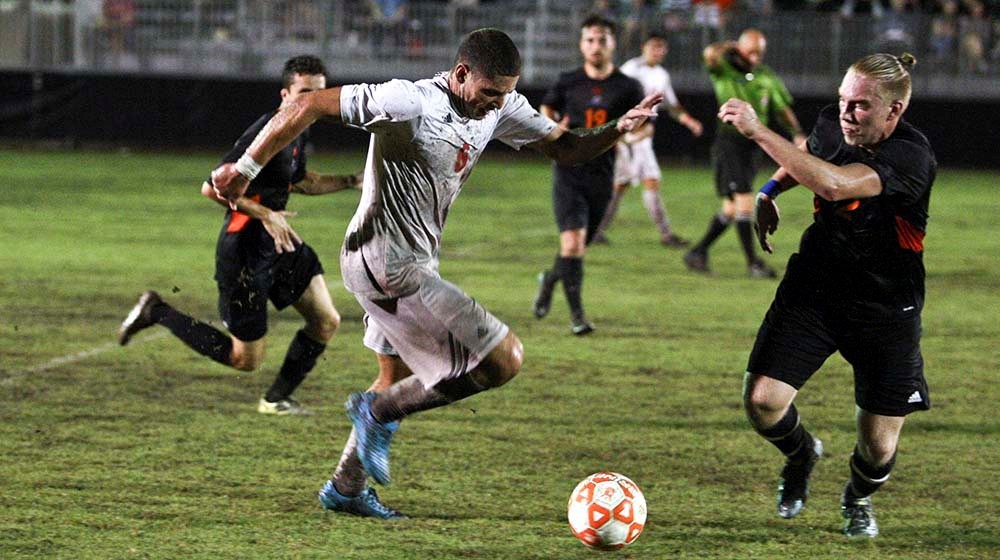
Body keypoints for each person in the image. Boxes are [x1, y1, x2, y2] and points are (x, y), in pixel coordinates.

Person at [210, 28, 661, 519]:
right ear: (462, 73)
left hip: (412, 260)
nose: (497, 105)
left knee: (396, 374)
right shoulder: (409, 100)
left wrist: (619, 127)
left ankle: (346, 486)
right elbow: (310, 104)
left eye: (506, 93)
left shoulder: (501, 105)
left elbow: (567, 147)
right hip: (386, 264)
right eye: (490, 93)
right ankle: (375, 413)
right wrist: (247, 167)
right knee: (501, 359)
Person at [728, 53, 934, 537]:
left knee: (878, 447)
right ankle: (802, 454)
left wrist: (758, 131)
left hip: (886, 307)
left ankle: (857, 496)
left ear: (894, 111)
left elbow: (835, 183)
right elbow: (811, 150)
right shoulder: (832, 123)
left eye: (861, 106)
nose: (846, 113)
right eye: (843, 100)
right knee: (761, 402)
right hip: (815, 288)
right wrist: (769, 191)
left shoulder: (911, 156)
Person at [118, 55, 360, 416]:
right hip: (245, 253)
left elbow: (300, 181)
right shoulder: (267, 130)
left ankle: (276, 399)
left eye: (320, 95)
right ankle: (157, 311)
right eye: (305, 93)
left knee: (326, 321)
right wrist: (265, 214)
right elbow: (211, 187)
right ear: (285, 94)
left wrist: (352, 181)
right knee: (244, 359)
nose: (314, 102)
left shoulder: (299, 128)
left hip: (280, 244)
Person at [531, 15, 645, 336]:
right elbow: (547, 108)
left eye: (602, 39)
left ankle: (550, 279)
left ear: (613, 43)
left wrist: (630, 134)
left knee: (577, 248)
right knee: (573, 242)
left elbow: (642, 125)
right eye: (590, 40)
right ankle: (578, 316)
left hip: (603, 173)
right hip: (568, 169)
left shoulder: (628, 86)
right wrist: (554, 128)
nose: (596, 46)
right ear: (582, 45)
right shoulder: (568, 80)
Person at [684, 28, 806, 278]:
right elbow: (709, 54)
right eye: (751, 52)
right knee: (744, 202)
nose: (756, 57)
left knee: (730, 210)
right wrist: (729, 47)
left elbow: (781, 108)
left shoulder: (765, 76)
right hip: (730, 142)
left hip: (753, 145)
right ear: (740, 49)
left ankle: (697, 252)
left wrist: (797, 132)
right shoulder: (724, 70)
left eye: (760, 52)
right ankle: (753, 263)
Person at [592, 31, 704, 247]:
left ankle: (664, 234)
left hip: (643, 137)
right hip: (627, 137)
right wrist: (619, 131)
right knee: (626, 184)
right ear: (644, 47)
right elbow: (611, 97)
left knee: (637, 183)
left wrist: (689, 121)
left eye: (661, 47)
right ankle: (598, 231)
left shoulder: (661, 74)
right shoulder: (631, 69)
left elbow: (671, 105)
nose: (657, 51)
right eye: (654, 46)